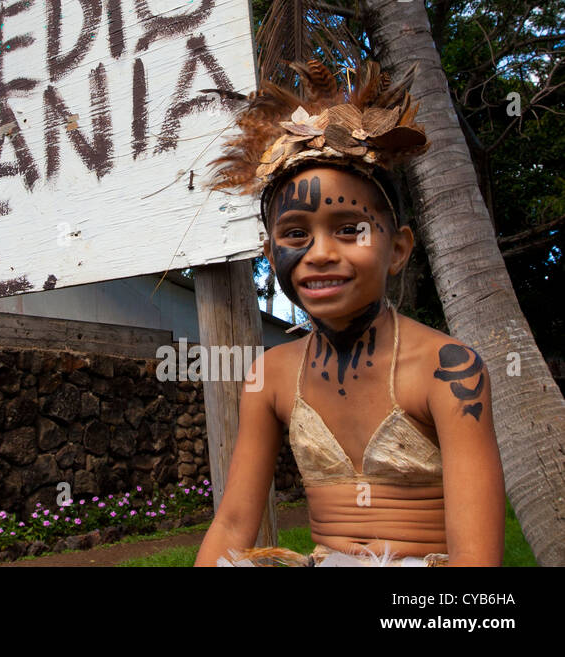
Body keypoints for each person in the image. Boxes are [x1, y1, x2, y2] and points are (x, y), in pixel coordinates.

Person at [196, 58, 504, 566]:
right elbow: (231, 523)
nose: (319, 253)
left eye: (349, 228)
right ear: (272, 256)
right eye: (295, 233)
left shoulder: (450, 370)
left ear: (399, 249)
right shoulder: (269, 377)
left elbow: (477, 562)